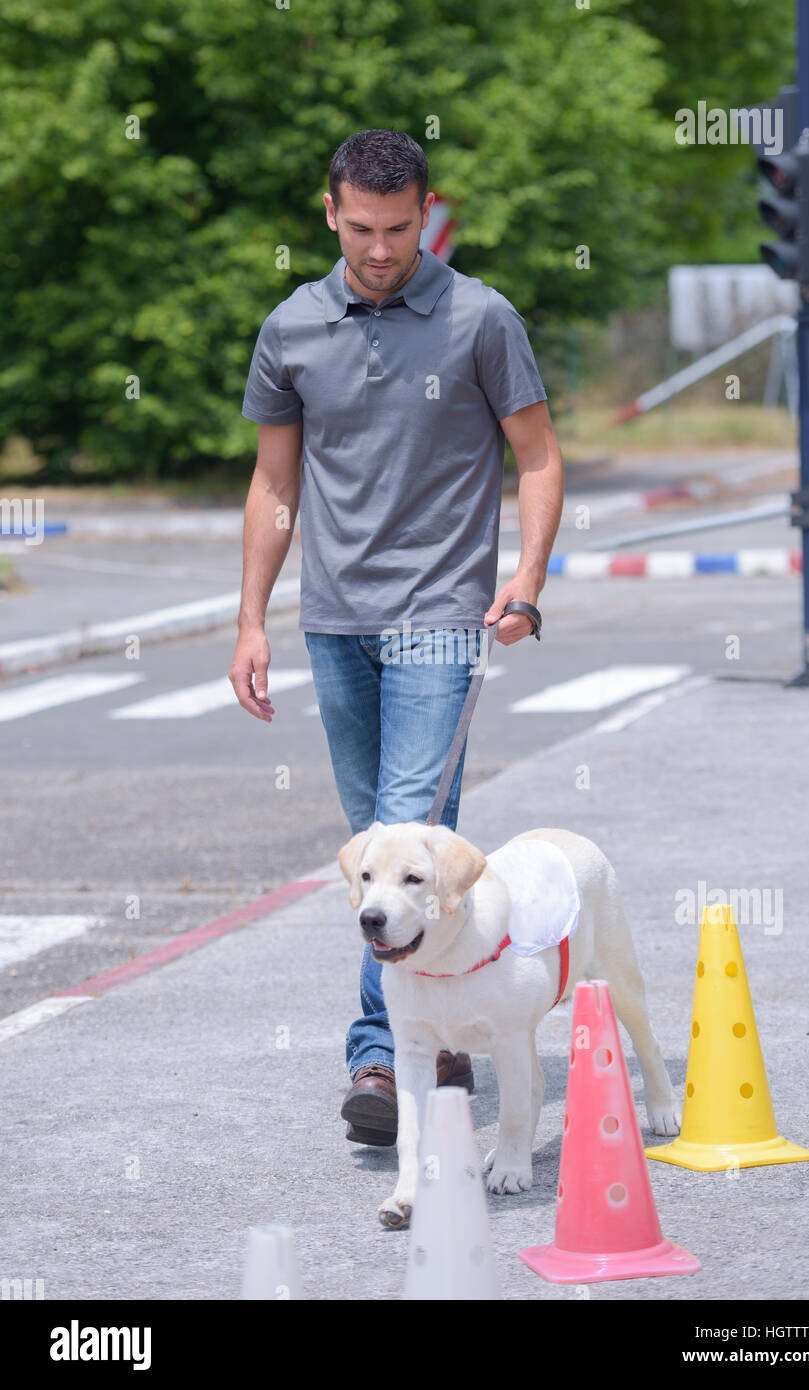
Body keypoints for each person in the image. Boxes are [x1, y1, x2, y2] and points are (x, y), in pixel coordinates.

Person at [230, 127, 563, 1147]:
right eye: (362, 228)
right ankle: (447, 1031)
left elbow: (540, 460)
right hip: (335, 623)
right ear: (328, 214)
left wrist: (526, 583)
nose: (380, 249)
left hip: (438, 623)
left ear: (429, 213)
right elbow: (275, 485)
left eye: (400, 227)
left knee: (397, 826)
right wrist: (250, 617)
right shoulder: (291, 328)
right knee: (399, 859)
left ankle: (377, 1050)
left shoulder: (479, 318)